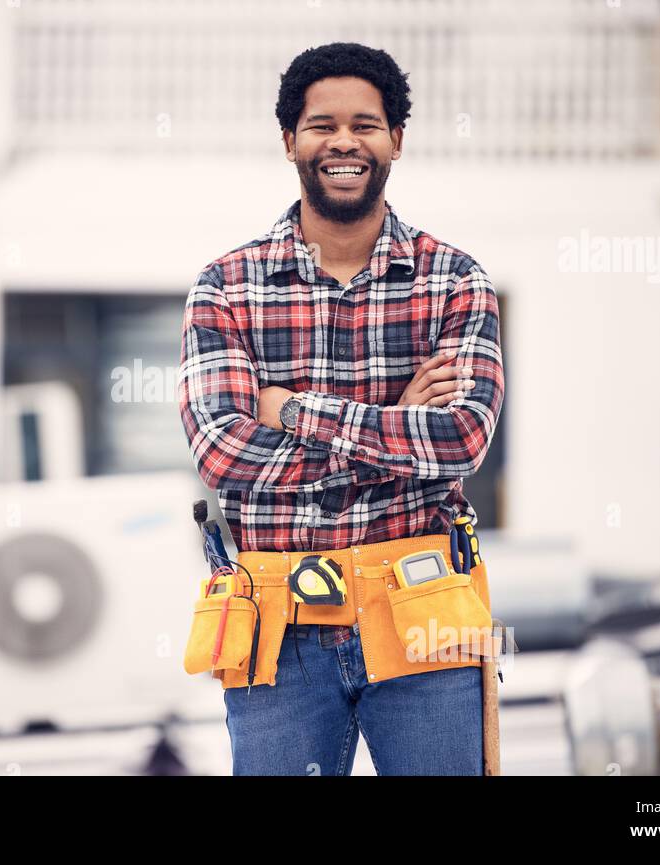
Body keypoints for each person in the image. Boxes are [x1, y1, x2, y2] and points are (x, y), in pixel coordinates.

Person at [177, 42, 505, 775]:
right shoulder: (226, 287)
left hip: (422, 612)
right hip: (277, 624)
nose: (345, 141)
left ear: (396, 140)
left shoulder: (455, 281)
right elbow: (223, 454)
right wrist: (395, 420)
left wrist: (291, 411)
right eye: (323, 124)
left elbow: (460, 439)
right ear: (290, 139)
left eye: (366, 123)